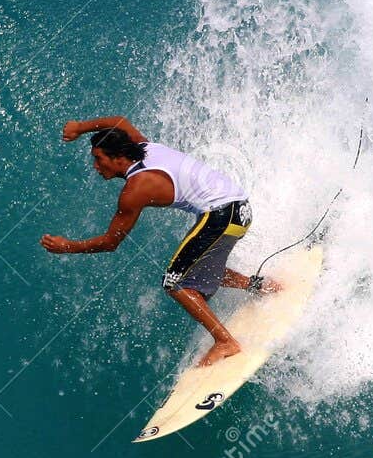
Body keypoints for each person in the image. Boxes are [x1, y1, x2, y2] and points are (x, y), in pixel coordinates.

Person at [40, 116, 276, 366]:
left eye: (99, 159)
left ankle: (225, 342)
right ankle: (264, 286)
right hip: (240, 208)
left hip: (220, 215)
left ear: (118, 157)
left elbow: (111, 242)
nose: (96, 166)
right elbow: (120, 122)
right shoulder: (145, 146)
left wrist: (67, 246)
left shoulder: (136, 188)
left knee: (175, 282)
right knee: (199, 268)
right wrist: (80, 127)